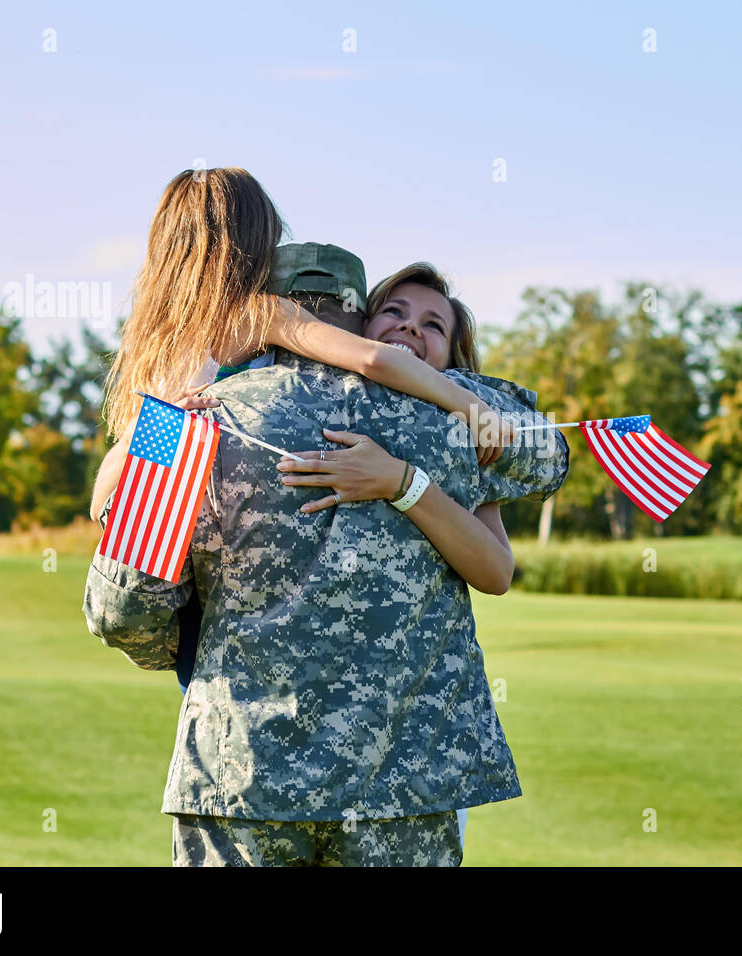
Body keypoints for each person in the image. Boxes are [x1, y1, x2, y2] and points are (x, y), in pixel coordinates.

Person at [83, 168, 568, 865]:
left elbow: (122, 607)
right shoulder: (446, 403)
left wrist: (195, 656)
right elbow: (548, 456)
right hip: (406, 787)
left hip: (240, 776)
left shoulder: (185, 421)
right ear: (359, 309)